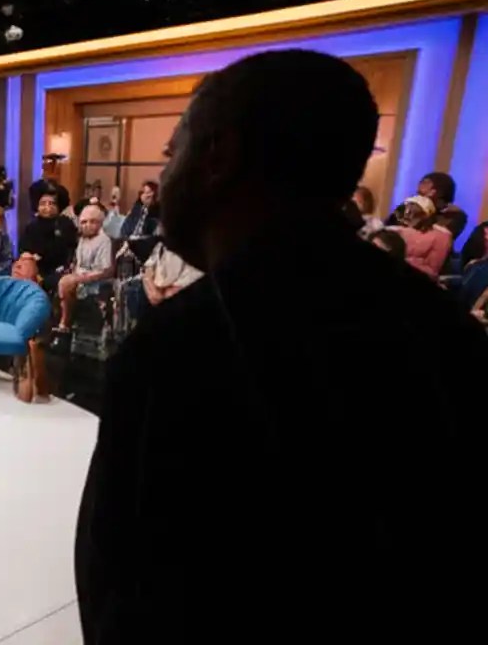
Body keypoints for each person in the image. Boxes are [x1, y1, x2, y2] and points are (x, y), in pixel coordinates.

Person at [75, 50, 486, 644]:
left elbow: (122, 576)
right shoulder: (443, 330)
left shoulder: (182, 346)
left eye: (172, 155)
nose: (165, 180)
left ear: (218, 156)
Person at [55, 203, 113, 332]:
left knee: (66, 283)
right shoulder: (82, 240)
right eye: (84, 222)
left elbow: (106, 271)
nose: (87, 225)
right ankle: (63, 323)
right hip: (81, 278)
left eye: (92, 222)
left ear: (100, 222)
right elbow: (78, 264)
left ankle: (65, 323)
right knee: (61, 280)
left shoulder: (104, 240)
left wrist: (79, 278)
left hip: (97, 281)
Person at [19, 191, 78, 292]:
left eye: (51, 203)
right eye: (43, 203)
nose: (47, 206)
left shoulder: (65, 223)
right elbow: (24, 248)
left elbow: (72, 247)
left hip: (61, 267)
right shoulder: (31, 226)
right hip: (37, 267)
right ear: (37, 207)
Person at [386, 171, 467, 240]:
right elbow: (389, 227)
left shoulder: (455, 215)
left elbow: (440, 238)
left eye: (427, 184)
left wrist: (423, 212)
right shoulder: (410, 205)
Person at [388, 195, 452, 280]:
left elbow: (432, 270)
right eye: (407, 209)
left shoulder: (440, 236)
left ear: (425, 215)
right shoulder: (395, 231)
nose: (407, 214)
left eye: (412, 211)